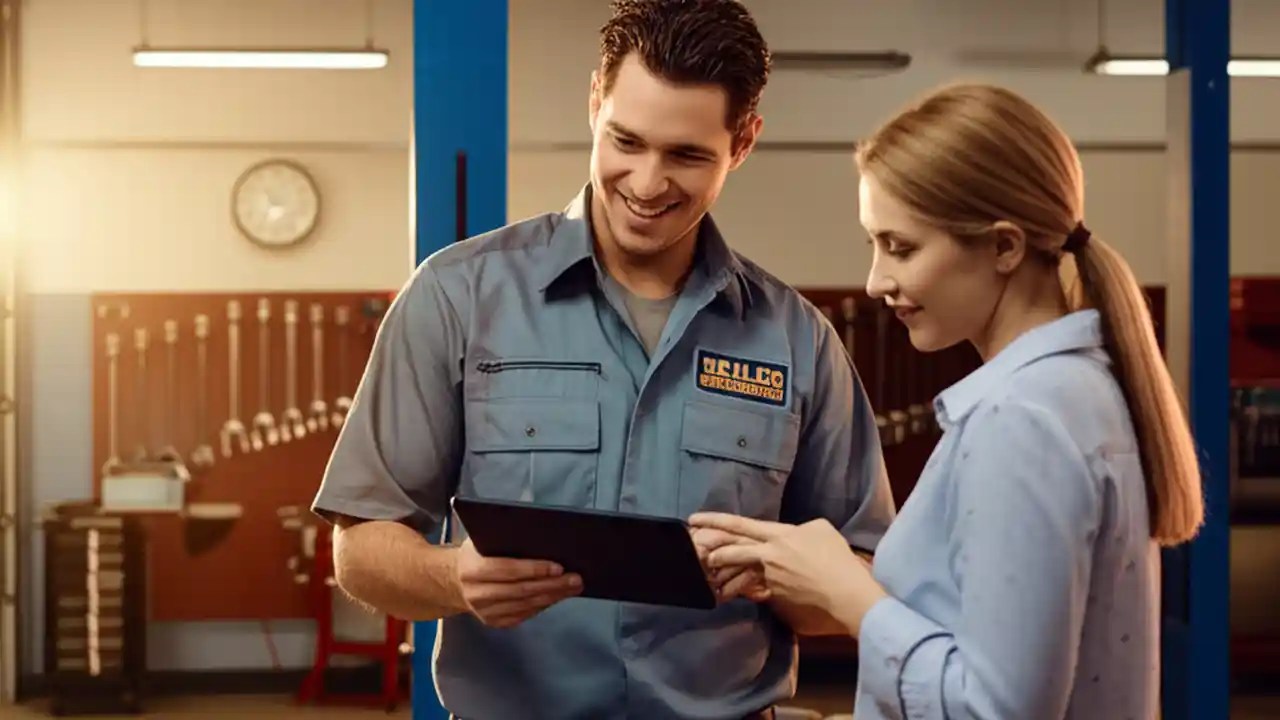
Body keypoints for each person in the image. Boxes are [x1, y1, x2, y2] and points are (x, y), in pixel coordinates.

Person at [310, 1, 896, 718]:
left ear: (743, 141)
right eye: (627, 141)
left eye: (686, 156)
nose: (647, 184)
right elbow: (361, 548)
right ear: (595, 102)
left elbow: (864, 579)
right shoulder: (457, 297)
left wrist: (777, 575)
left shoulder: (797, 340)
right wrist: (453, 575)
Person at [692, 83, 1205, 720]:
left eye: (901, 248)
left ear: (1004, 247)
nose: (877, 281)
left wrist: (848, 594)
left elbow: (995, 709)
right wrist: (806, 570)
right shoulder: (1076, 391)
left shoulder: (1022, 420)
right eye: (874, 245)